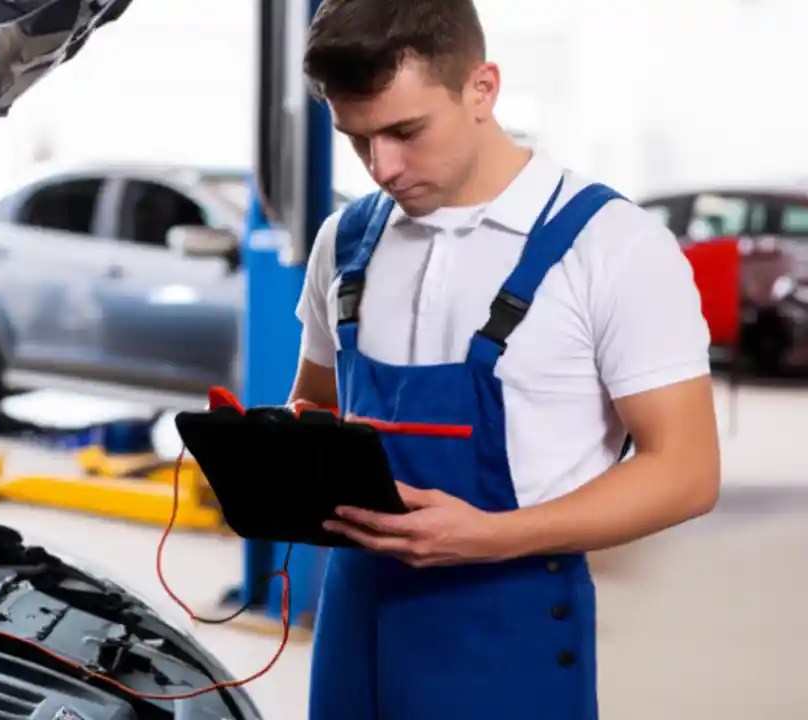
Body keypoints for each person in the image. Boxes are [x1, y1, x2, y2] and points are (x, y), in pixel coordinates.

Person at [288, 1, 721, 718]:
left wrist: (487, 537)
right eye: (357, 139)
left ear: (482, 88)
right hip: (352, 623)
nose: (382, 167)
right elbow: (314, 404)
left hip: (506, 631)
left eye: (404, 131)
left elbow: (686, 471)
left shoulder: (611, 246)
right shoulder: (347, 240)